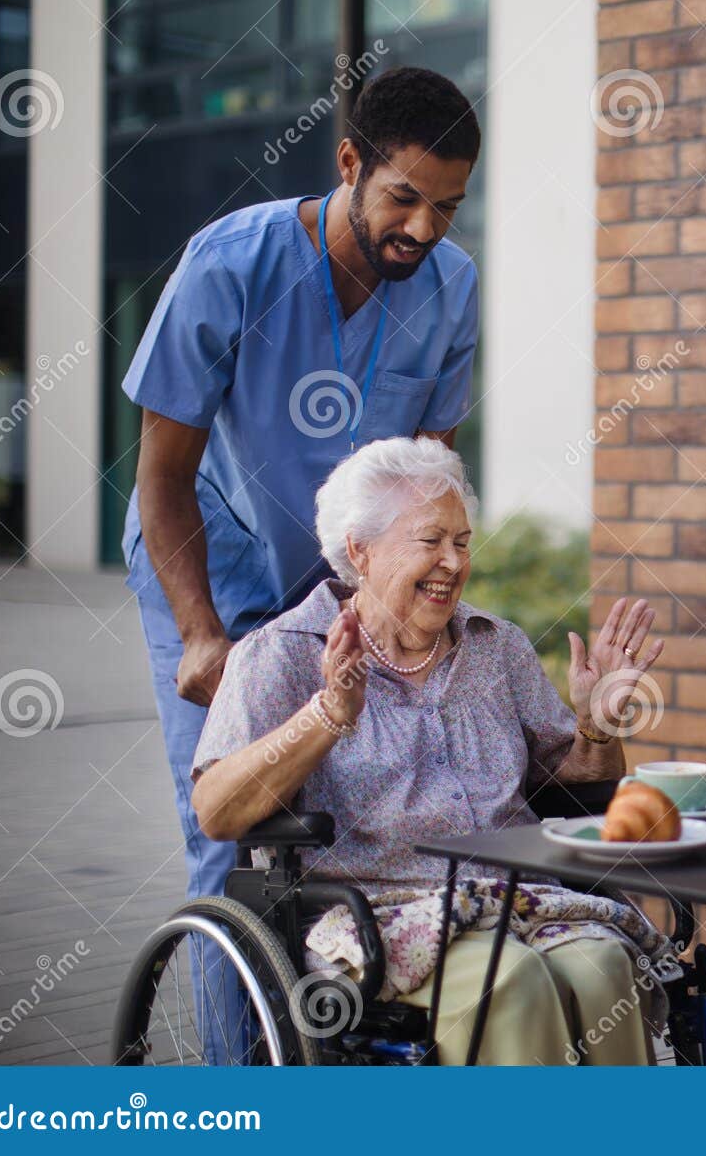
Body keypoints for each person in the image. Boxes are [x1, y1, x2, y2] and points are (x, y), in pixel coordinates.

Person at [121, 67, 481, 1062]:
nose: (423, 228)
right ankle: (248, 1092)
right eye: (403, 197)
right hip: (215, 566)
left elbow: (428, 479)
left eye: (447, 205)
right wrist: (203, 635)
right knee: (237, 826)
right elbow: (163, 476)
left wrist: (426, 619)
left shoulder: (450, 288)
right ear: (349, 163)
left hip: (340, 578)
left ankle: (340, 1053)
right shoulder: (231, 262)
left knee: (361, 806)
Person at [189, 437, 671, 1064]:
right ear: (360, 550)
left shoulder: (496, 646)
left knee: (604, 966)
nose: (453, 561)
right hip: (381, 910)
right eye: (430, 540)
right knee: (511, 981)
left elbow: (575, 781)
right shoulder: (282, 653)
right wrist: (327, 715)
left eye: (463, 542)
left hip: (518, 894)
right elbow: (216, 810)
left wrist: (597, 726)